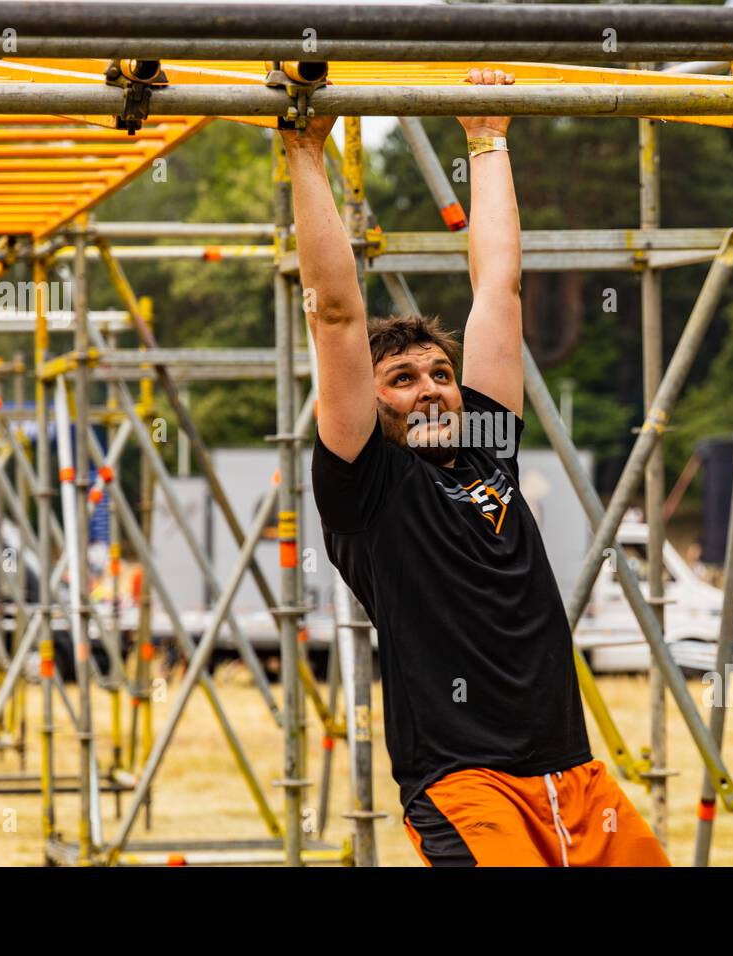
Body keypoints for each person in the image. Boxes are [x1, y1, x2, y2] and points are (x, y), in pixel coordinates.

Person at [281, 68, 669, 867]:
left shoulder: (487, 443)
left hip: (574, 772)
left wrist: (487, 140)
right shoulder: (367, 484)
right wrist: (303, 151)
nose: (429, 389)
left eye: (438, 373)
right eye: (402, 379)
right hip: (467, 785)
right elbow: (336, 310)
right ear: (373, 405)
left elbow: (499, 286)